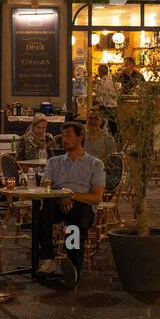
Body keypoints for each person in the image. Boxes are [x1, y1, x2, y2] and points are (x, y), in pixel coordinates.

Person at [36, 122, 105, 289]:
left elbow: (97, 197)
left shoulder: (95, 164)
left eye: (68, 135)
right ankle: (47, 259)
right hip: (57, 201)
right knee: (41, 211)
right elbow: (45, 187)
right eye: (63, 135)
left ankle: (72, 266)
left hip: (81, 204)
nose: (64, 139)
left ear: (80, 137)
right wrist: (60, 197)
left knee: (76, 223)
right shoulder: (54, 162)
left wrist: (70, 195)